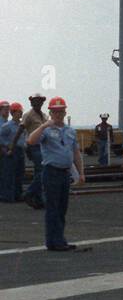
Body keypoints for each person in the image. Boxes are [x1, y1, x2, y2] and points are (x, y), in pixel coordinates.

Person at [26, 96, 84, 251]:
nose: (58, 114)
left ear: (65, 112)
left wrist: (81, 173)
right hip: (51, 172)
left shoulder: (70, 131)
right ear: (50, 113)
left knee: (62, 207)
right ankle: (54, 241)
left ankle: (58, 239)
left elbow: (76, 153)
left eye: (61, 111)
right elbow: (31, 141)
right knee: (53, 207)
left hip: (65, 173)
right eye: (55, 111)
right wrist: (43, 126)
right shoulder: (46, 130)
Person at [21, 94, 48, 209]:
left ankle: (38, 199)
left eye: (40, 101)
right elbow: (21, 130)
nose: (38, 103)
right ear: (31, 103)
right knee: (42, 172)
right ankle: (29, 192)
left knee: (40, 172)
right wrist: (20, 146)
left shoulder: (44, 116)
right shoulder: (28, 115)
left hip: (44, 146)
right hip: (34, 147)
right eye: (35, 101)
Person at [5, 102, 24, 201]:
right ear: (13, 113)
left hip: (21, 150)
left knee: (19, 173)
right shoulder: (7, 126)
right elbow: (1, 137)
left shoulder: (22, 126)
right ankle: (10, 196)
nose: (21, 113)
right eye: (19, 111)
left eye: (21, 112)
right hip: (12, 150)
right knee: (11, 174)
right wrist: (7, 147)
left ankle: (18, 195)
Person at [0, 103, 17, 203]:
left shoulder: (6, 122)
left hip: (5, 149)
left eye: (8, 109)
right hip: (3, 149)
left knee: (6, 173)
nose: (7, 111)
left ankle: (5, 194)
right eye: (5, 109)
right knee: (5, 173)